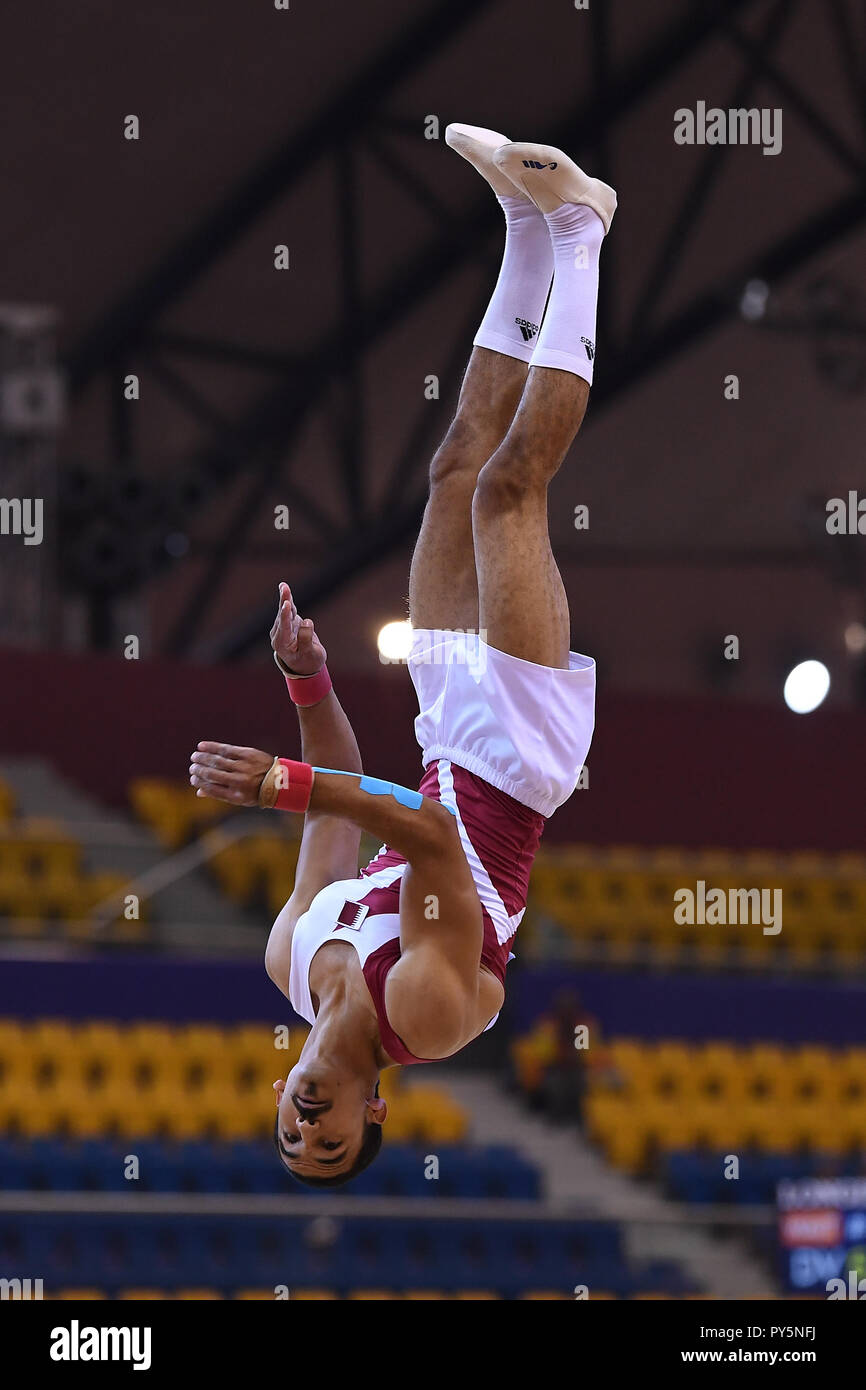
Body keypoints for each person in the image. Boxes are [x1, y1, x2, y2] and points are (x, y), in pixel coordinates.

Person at [189, 125, 616, 1185]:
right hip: (512, 762)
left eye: (290, 1135)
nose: (306, 1125)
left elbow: (337, 811)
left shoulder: (290, 961)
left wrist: (306, 681)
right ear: (371, 1106)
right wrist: (288, 784)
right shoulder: (423, 1017)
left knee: (450, 470)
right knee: (510, 492)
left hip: (439, 730)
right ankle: (583, 228)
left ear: (278, 1096)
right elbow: (428, 835)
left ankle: (523, 228)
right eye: (330, 1142)